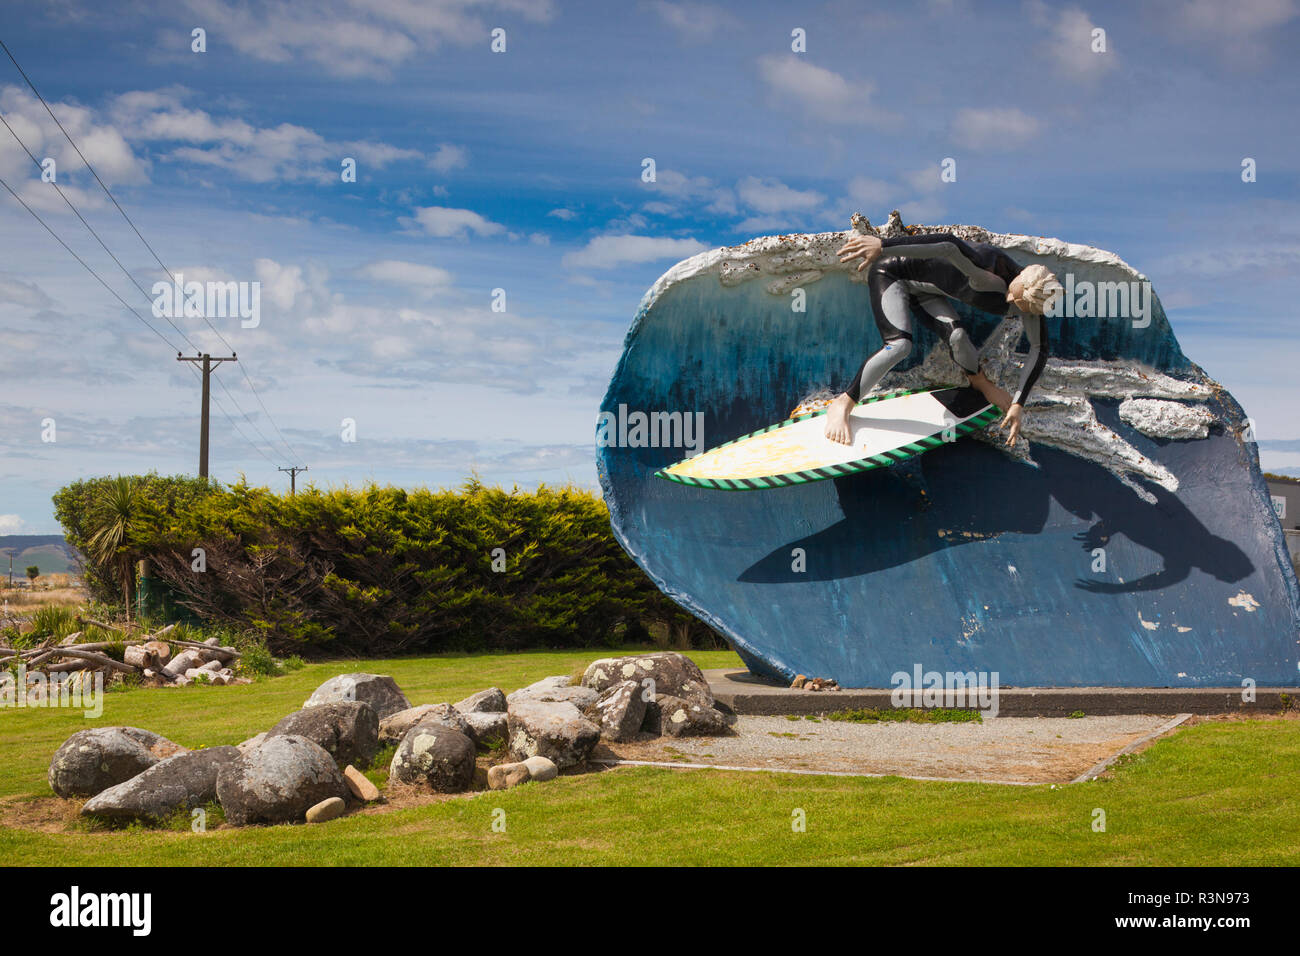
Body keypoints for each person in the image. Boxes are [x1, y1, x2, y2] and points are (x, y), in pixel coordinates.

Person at [826, 231, 1063, 447]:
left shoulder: (1032, 303)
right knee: (900, 346)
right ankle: (844, 403)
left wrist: (1018, 404)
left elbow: (1039, 348)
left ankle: (980, 382)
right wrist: (883, 245)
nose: (1010, 301)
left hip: (927, 292)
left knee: (958, 337)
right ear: (1020, 278)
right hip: (892, 273)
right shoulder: (987, 269)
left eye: (1020, 306)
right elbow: (949, 244)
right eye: (1014, 295)